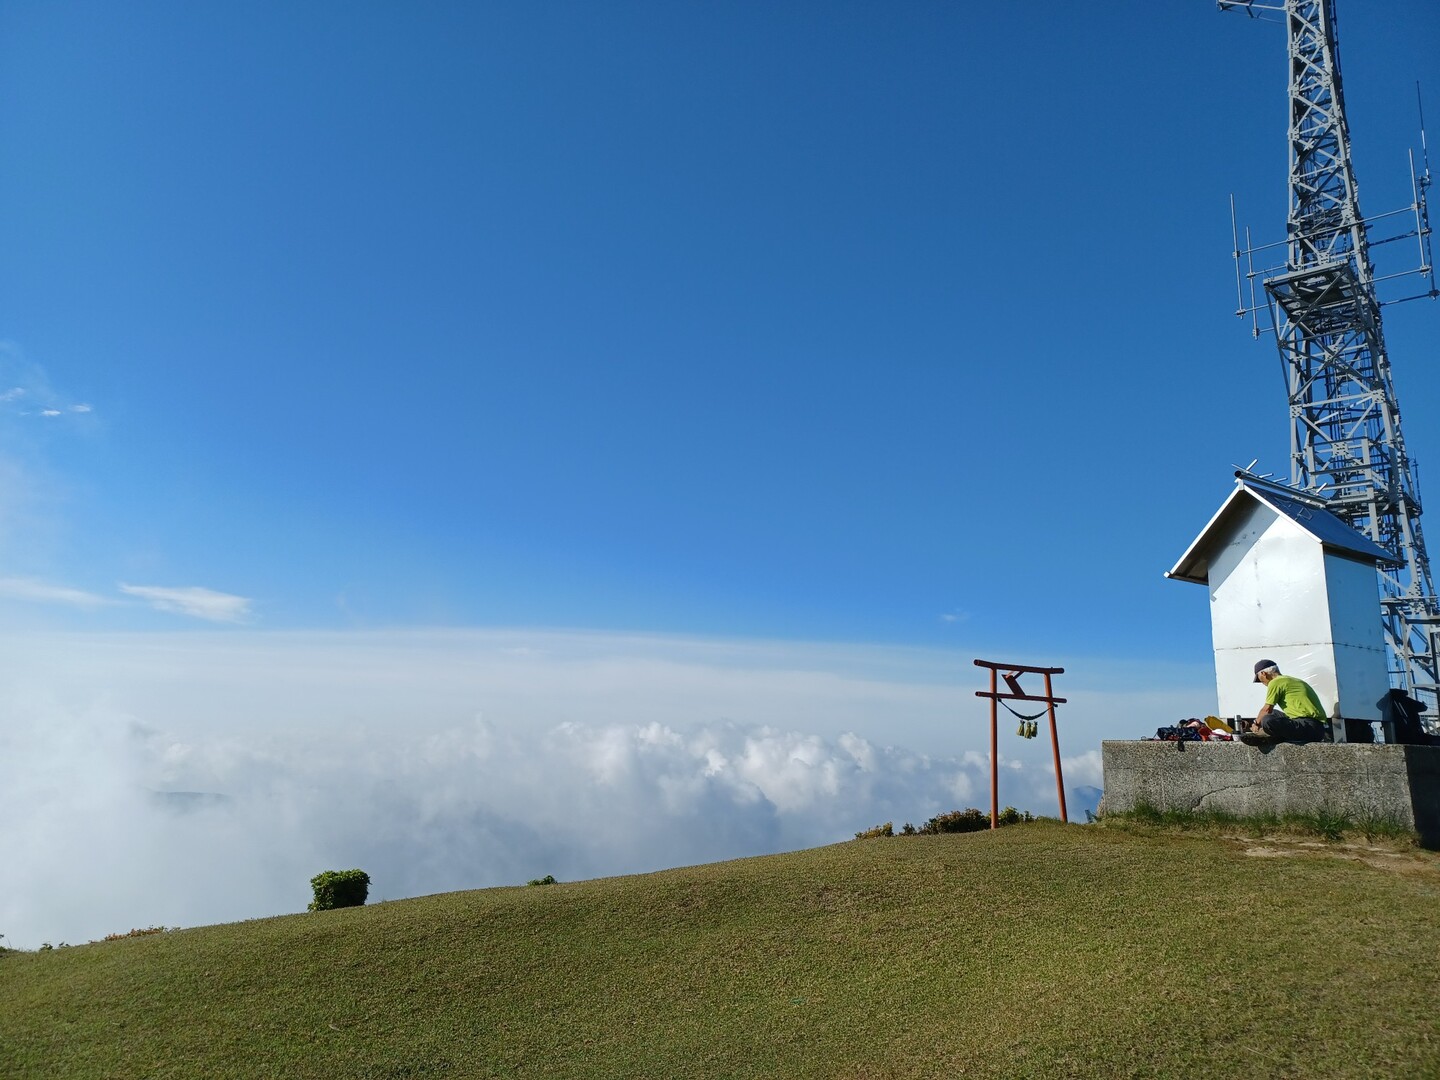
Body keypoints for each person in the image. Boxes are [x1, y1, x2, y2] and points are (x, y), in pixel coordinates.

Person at [1241, 659, 1328, 745]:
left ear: (1264, 674)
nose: (1262, 683)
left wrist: (1256, 724)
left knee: (1267, 720)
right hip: (1315, 727)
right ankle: (1272, 737)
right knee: (1273, 714)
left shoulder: (1275, 682)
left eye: (1260, 680)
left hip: (1309, 727)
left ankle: (1268, 737)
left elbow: (1267, 709)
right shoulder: (1292, 680)